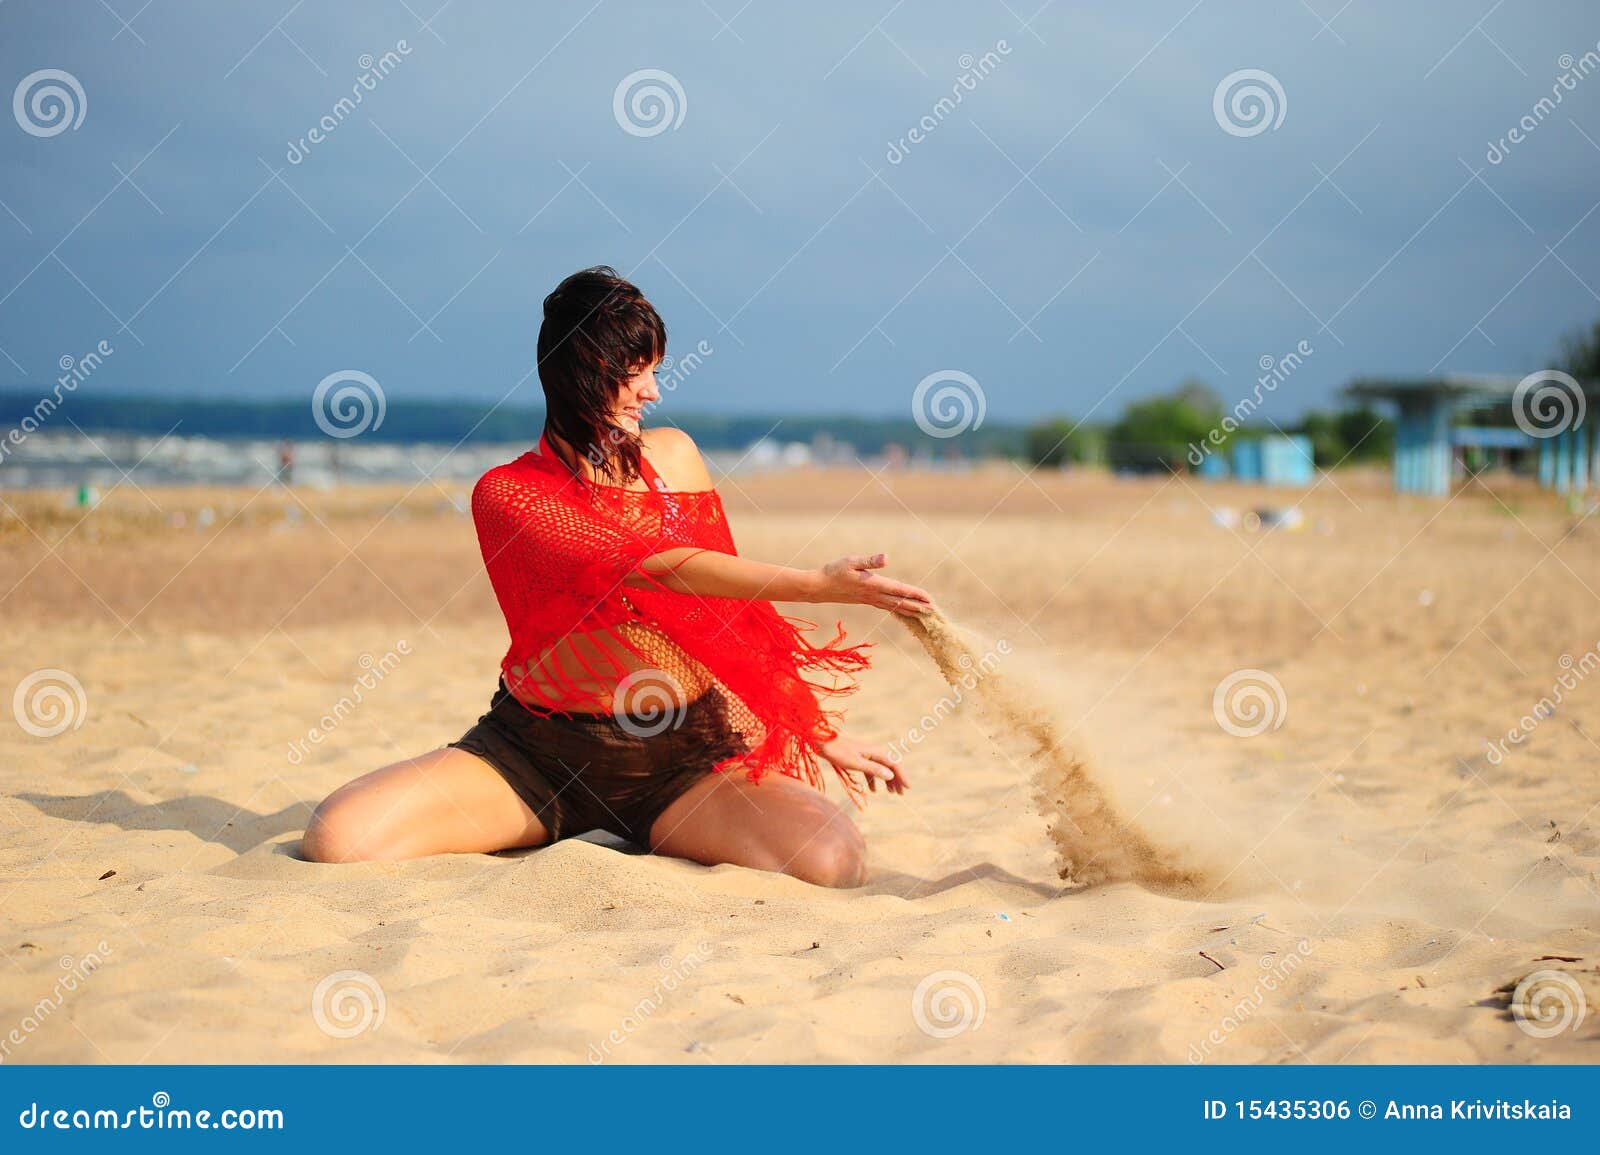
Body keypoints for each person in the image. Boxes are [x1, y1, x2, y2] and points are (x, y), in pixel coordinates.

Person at [301, 266, 933, 887]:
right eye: (637, 373)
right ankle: (566, 820)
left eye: (654, 370)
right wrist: (817, 584)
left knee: (833, 860)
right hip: (538, 757)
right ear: (583, 374)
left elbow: (729, 615)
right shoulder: (509, 494)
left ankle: (651, 825)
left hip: (685, 760)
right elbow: (649, 570)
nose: (654, 391)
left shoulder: (676, 457)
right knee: (337, 838)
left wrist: (811, 725)